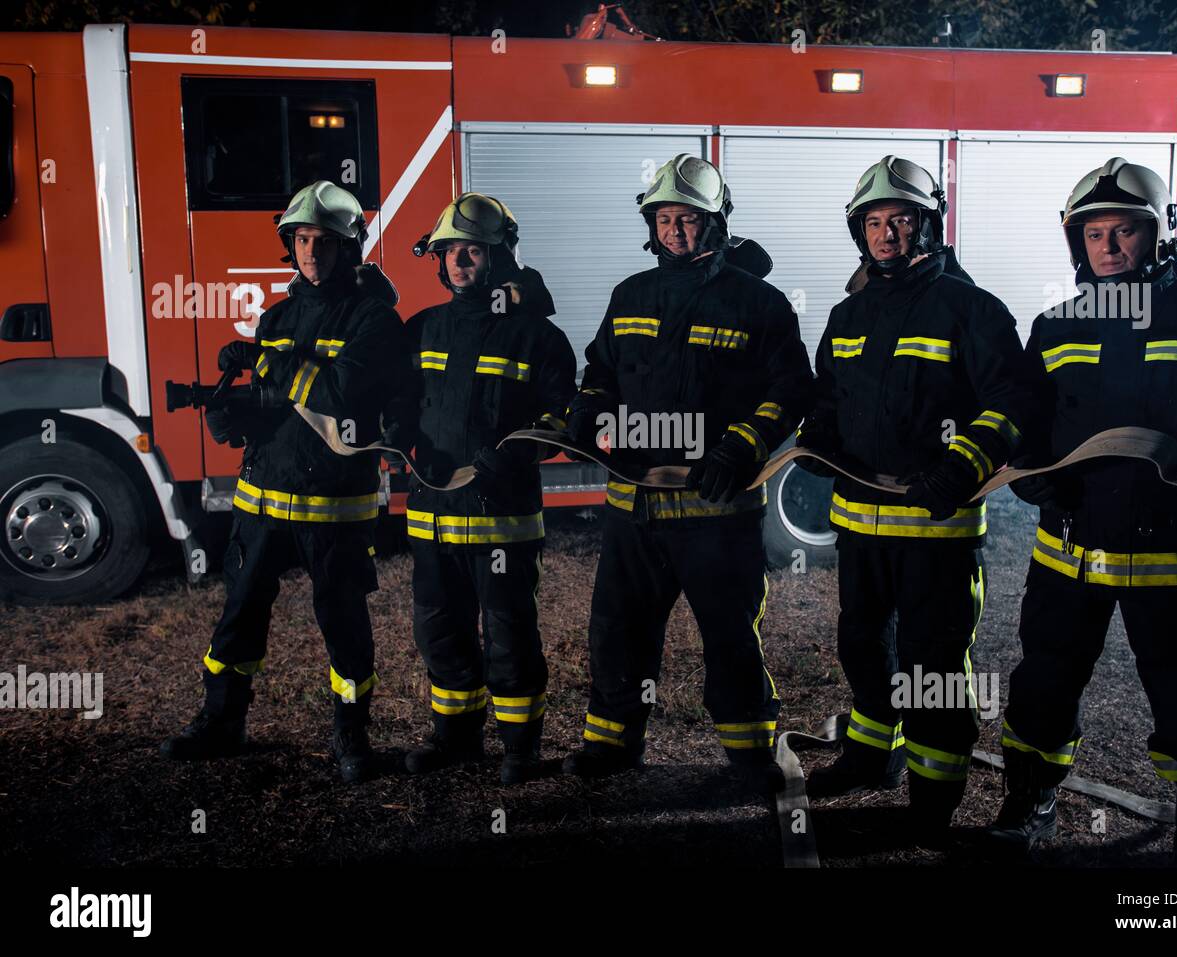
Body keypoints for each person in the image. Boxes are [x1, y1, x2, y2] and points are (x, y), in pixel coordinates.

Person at [991, 158, 1177, 866]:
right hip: (1068, 552)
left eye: (1125, 230)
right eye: (1093, 233)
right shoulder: (1057, 324)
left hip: (1175, 553)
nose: (1109, 246)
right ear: (1078, 244)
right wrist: (1028, 476)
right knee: (1042, 684)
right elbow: (1024, 420)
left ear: (1158, 236)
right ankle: (1029, 801)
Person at [797, 155, 1033, 843]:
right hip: (859, 526)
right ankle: (874, 754)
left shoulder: (972, 309)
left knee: (932, 664)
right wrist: (820, 436)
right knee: (863, 644)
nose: (887, 235)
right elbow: (826, 394)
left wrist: (961, 466)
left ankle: (934, 794)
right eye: (874, 223)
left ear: (927, 225)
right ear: (859, 232)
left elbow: (1011, 402)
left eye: (900, 220)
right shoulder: (848, 313)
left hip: (938, 528)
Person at [561, 154, 813, 789]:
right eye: (665, 219)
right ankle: (614, 742)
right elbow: (602, 372)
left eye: (690, 220)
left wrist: (741, 447)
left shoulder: (758, 303)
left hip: (716, 511)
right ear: (652, 226)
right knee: (619, 630)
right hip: (635, 510)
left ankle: (749, 749)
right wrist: (587, 413)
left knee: (730, 634)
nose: (676, 231)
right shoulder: (632, 294)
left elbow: (790, 393)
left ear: (717, 223)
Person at [162, 180, 404, 784]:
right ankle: (222, 723)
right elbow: (274, 408)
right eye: (300, 239)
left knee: (341, 620)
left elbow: (343, 396)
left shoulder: (374, 319)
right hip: (262, 498)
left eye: (324, 241)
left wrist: (279, 365)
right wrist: (230, 415)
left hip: (333, 505)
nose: (311, 252)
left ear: (350, 247)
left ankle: (352, 737)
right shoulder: (278, 315)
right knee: (239, 614)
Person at [387, 194, 576, 785]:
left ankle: (522, 748)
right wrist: (394, 433)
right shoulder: (422, 329)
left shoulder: (537, 338)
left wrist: (519, 450)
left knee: (508, 633)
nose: (461, 262)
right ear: (438, 263)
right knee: (438, 631)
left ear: (499, 258)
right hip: (433, 516)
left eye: (473, 251)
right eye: (451, 253)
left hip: (502, 519)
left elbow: (564, 417)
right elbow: (401, 403)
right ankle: (456, 740)